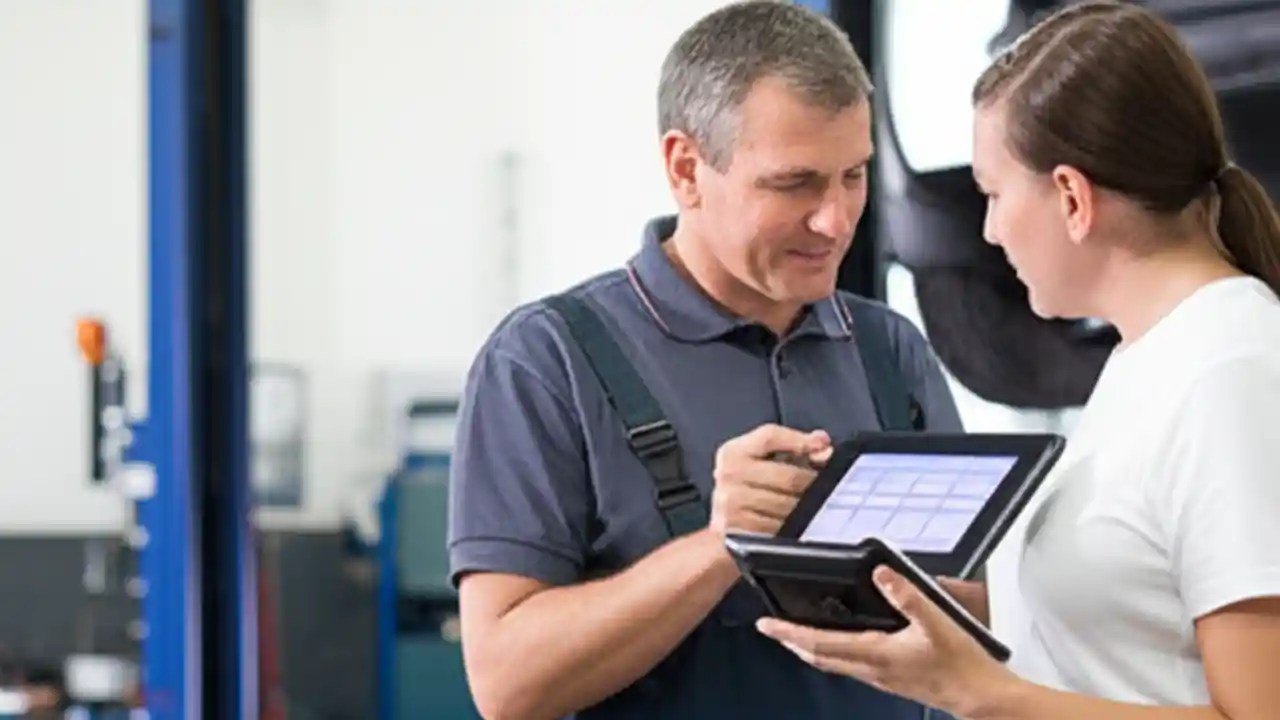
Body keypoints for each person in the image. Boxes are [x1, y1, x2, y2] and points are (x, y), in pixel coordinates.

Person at [754, 3, 1280, 718]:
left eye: (994, 194)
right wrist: (902, 595)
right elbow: (1127, 618)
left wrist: (978, 694)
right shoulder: (1151, 357)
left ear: (1071, 197)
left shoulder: (1230, 372)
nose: (992, 230)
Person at [447, 2, 963, 718]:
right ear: (686, 169)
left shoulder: (890, 351)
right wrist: (720, 547)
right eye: (795, 184)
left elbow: (977, 612)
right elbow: (507, 684)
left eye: (853, 176)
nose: (837, 220)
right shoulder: (544, 362)